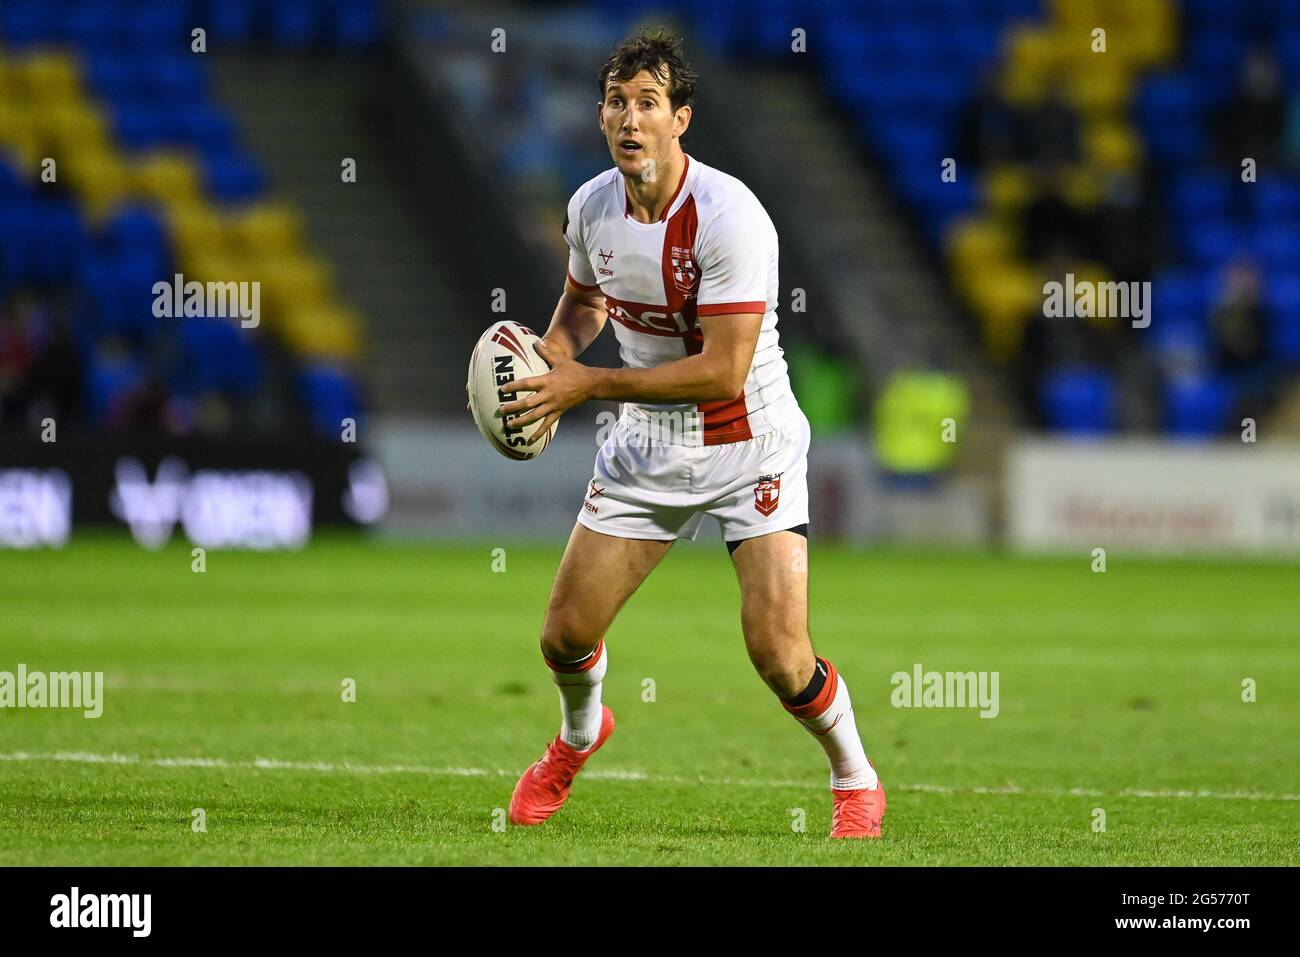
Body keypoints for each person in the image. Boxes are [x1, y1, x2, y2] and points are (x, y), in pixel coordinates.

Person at [495, 28, 884, 839]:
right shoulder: (592, 205)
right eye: (616, 102)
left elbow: (722, 372)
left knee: (779, 653)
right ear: (600, 116)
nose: (628, 119)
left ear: (682, 120)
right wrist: (548, 364)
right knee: (564, 635)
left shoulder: (731, 217)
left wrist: (588, 382)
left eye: (647, 104)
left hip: (750, 442)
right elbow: (585, 302)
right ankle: (577, 736)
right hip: (648, 445)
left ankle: (855, 774)